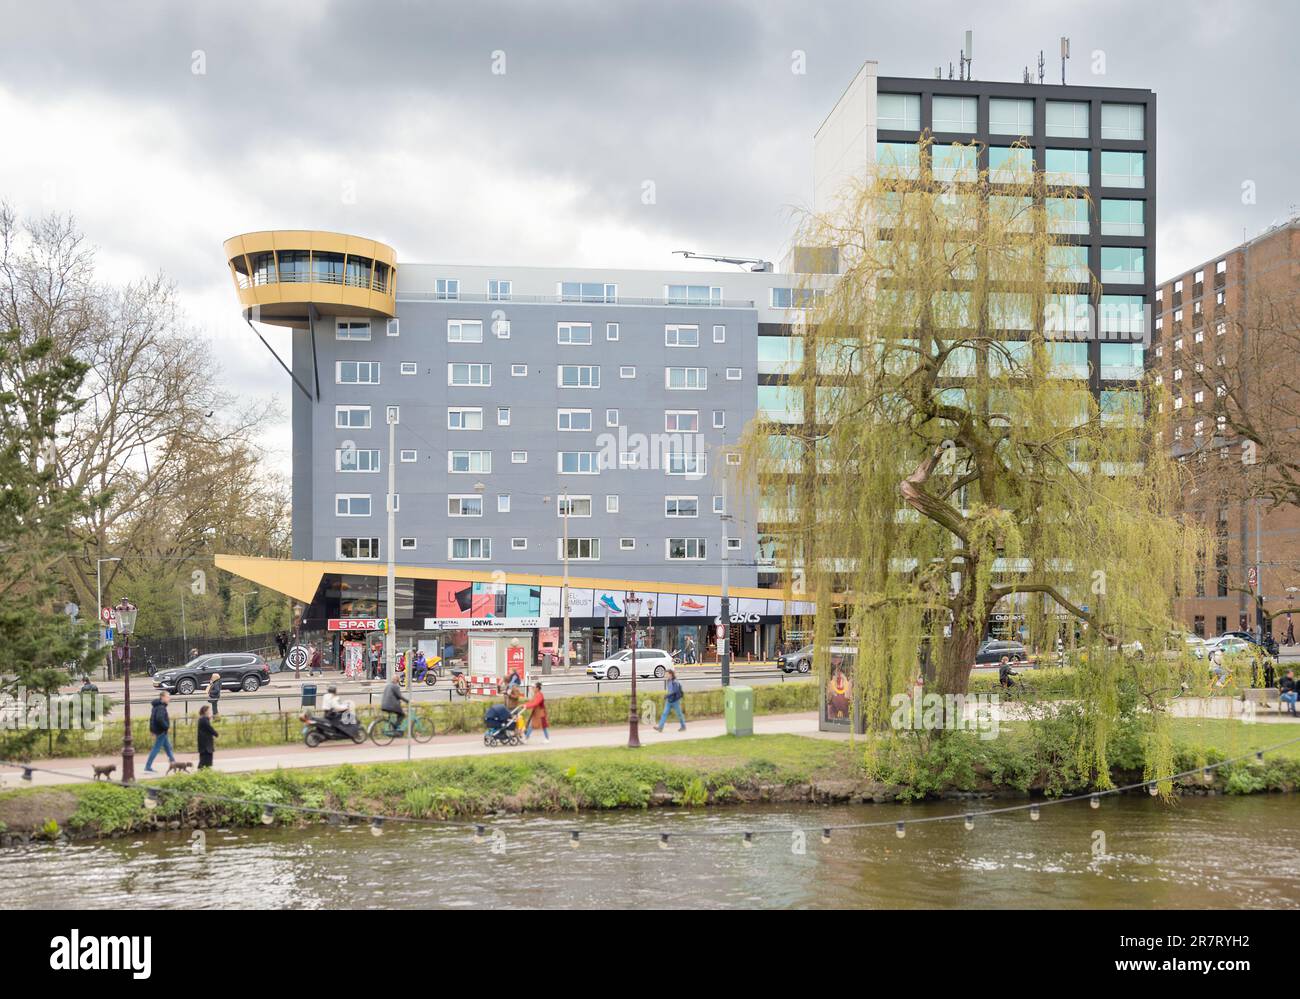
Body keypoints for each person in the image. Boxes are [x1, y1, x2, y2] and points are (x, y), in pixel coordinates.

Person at [143, 692, 175, 772]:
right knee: (156, 748)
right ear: (162, 697)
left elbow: (152, 719)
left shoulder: (157, 706)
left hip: (159, 730)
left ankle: (173, 763)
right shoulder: (161, 707)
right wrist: (166, 727)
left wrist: (152, 730)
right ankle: (148, 766)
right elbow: (159, 719)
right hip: (161, 731)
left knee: (168, 748)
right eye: (168, 697)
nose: (169, 699)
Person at [197, 704, 219, 769]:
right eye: (208, 711)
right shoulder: (203, 719)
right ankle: (203, 769)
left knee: (205, 756)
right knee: (205, 756)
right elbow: (209, 728)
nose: (210, 712)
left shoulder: (203, 719)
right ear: (205, 711)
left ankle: (205, 769)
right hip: (205, 743)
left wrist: (208, 718)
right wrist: (216, 734)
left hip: (204, 742)